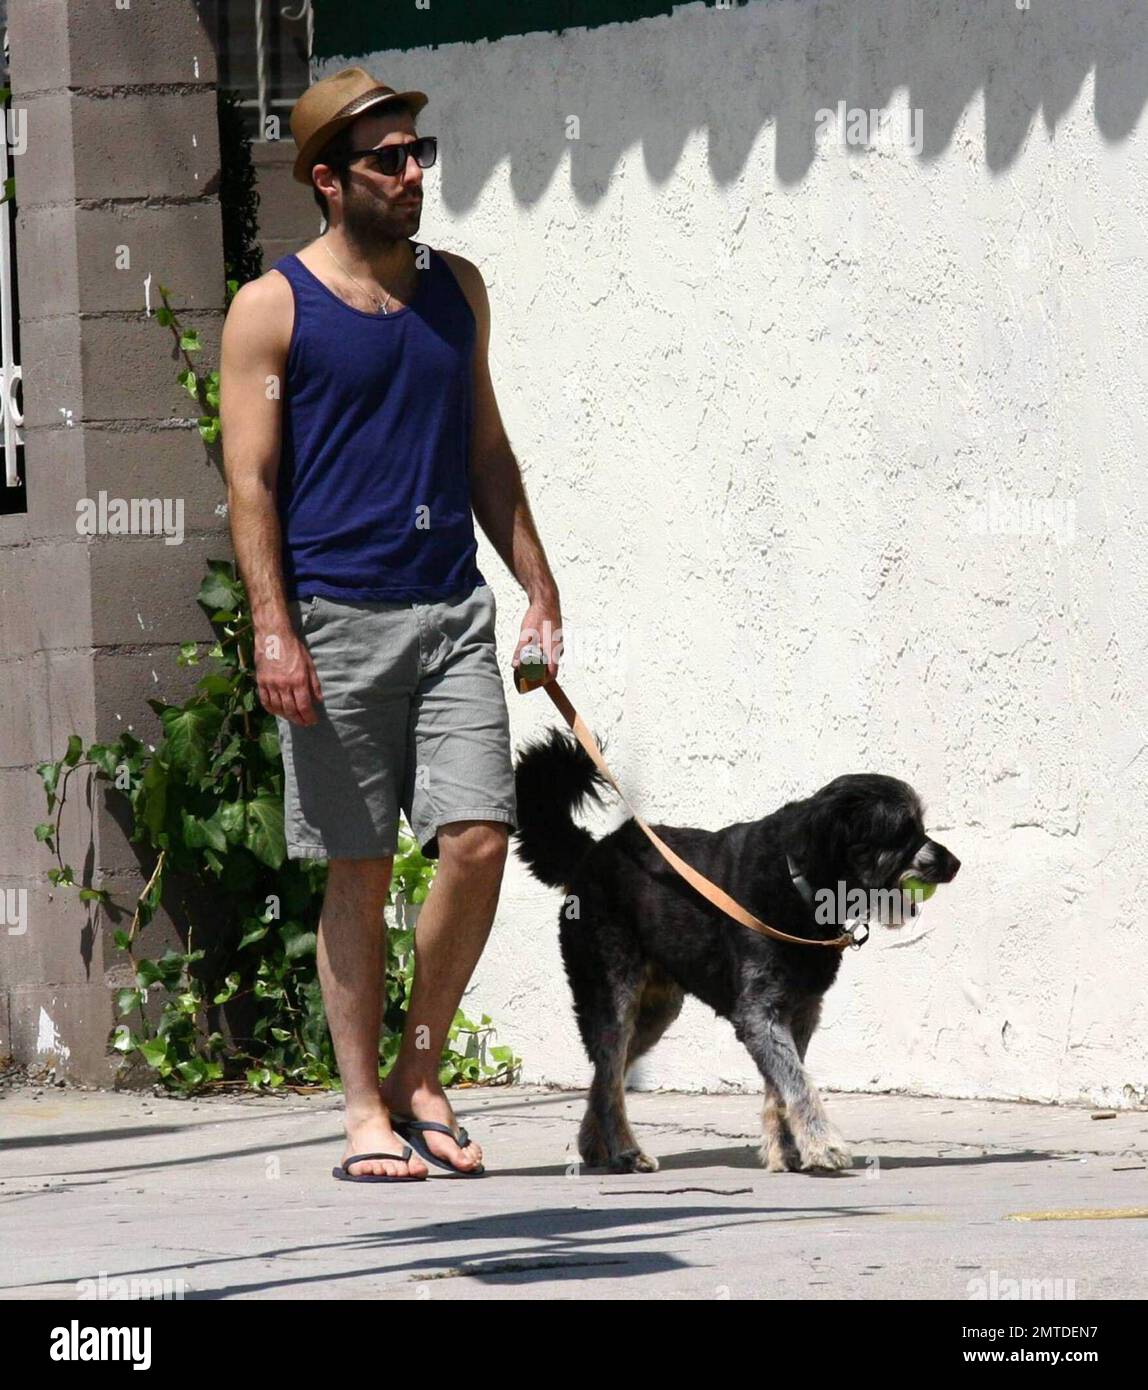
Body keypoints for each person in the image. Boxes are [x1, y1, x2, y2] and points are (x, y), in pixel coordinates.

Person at [219, 67, 562, 1182]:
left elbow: (485, 454)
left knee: (477, 839)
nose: (416, 174)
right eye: (390, 160)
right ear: (328, 180)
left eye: (422, 154)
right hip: (333, 621)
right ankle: (364, 1106)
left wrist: (537, 590)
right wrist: (273, 629)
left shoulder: (456, 291)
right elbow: (252, 487)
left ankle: (421, 1070)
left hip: (450, 609)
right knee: (358, 868)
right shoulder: (272, 309)